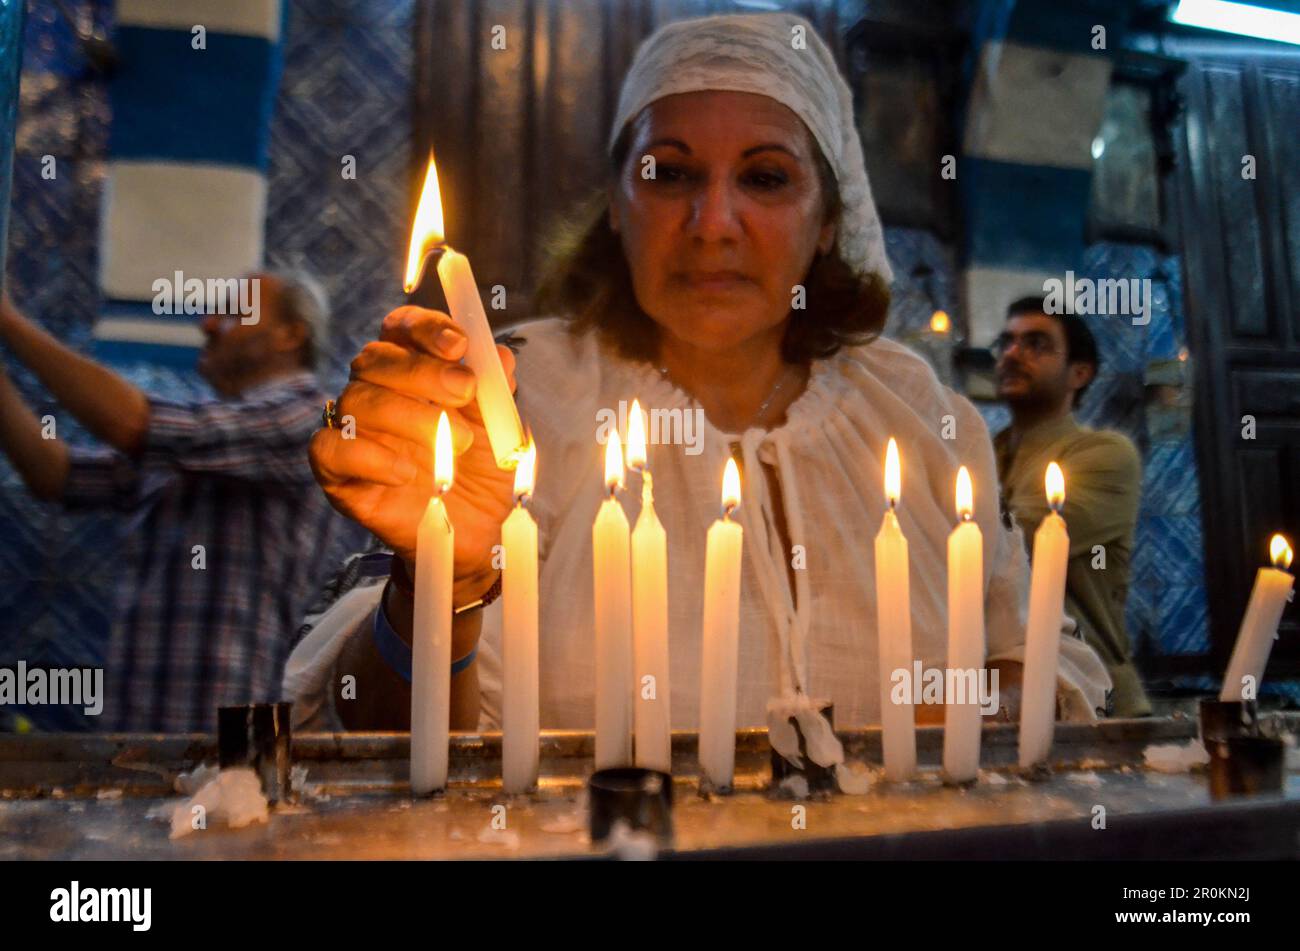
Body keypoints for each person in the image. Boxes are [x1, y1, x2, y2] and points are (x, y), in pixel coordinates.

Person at [292, 13, 1110, 744]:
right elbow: (365, 723)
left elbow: (1039, 658)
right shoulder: (511, 397)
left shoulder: (917, 410)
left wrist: (955, 718)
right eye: (669, 173)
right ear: (615, 204)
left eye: (764, 178)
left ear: (829, 220)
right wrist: (445, 583)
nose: (712, 225)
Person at [0, 271, 347, 731]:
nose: (207, 323)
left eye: (232, 311)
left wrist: (9, 321)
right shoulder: (211, 434)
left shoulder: (311, 417)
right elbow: (56, 475)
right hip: (138, 736)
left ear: (290, 334)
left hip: (220, 748)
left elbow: (130, 424)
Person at [992, 296, 1151, 717]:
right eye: (1006, 342)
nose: (1012, 353)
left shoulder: (1105, 455)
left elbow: (1011, 539)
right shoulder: (977, 454)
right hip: (999, 692)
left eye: (1036, 344)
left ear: (1079, 373)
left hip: (1092, 696)